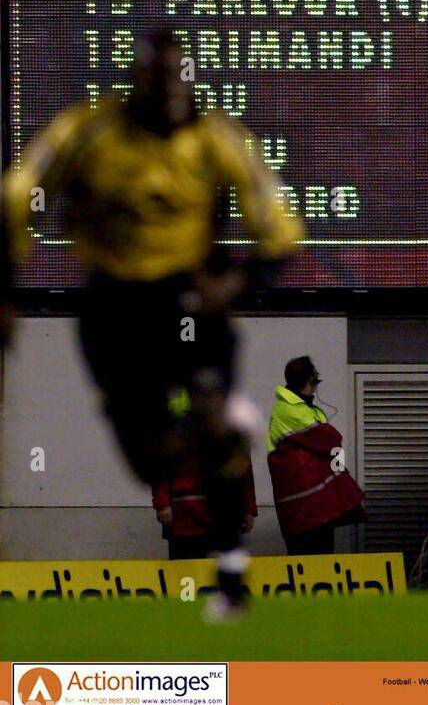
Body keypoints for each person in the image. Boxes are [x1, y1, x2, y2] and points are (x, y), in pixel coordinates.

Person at [1, 31, 303, 616]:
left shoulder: (217, 139)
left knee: (210, 413)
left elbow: (282, 230)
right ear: (135, 82)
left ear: (188, 81)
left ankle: (231, 574)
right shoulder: (88, 131)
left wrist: (233, 284)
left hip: (187, 300)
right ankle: (210, 435)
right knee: (153, 462)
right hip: (113, 307)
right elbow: (17, 199)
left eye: (176, 79)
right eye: (155, 79)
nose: (167, 91)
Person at [267, 356, 366, 555]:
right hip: (305, 507)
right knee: (307, 556)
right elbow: (331, 438)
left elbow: (333, 446)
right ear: (310, 380)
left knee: (321, 554)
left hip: (317, 508)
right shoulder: (290, 409)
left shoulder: (306, 409)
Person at [153, 390, 258, 561]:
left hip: (215, 513)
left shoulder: (225, 409)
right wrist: (162, 503)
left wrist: (247, 508)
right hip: (186, 515)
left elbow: (242, 466)